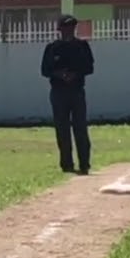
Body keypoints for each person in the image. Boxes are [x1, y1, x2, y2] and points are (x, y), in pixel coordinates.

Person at [40, 15, 95, 175]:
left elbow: (89, 67)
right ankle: (67, 164)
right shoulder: (52, 48)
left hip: (77, 91)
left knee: (80, 127)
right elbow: (44, 70)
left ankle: (84, 163)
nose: (68, 31)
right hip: (58, 92)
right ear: (60, 30)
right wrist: (59, 74)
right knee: (62, 129)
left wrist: (75, 74)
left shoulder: (81, 46)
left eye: (71, 28)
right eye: (65, 28)